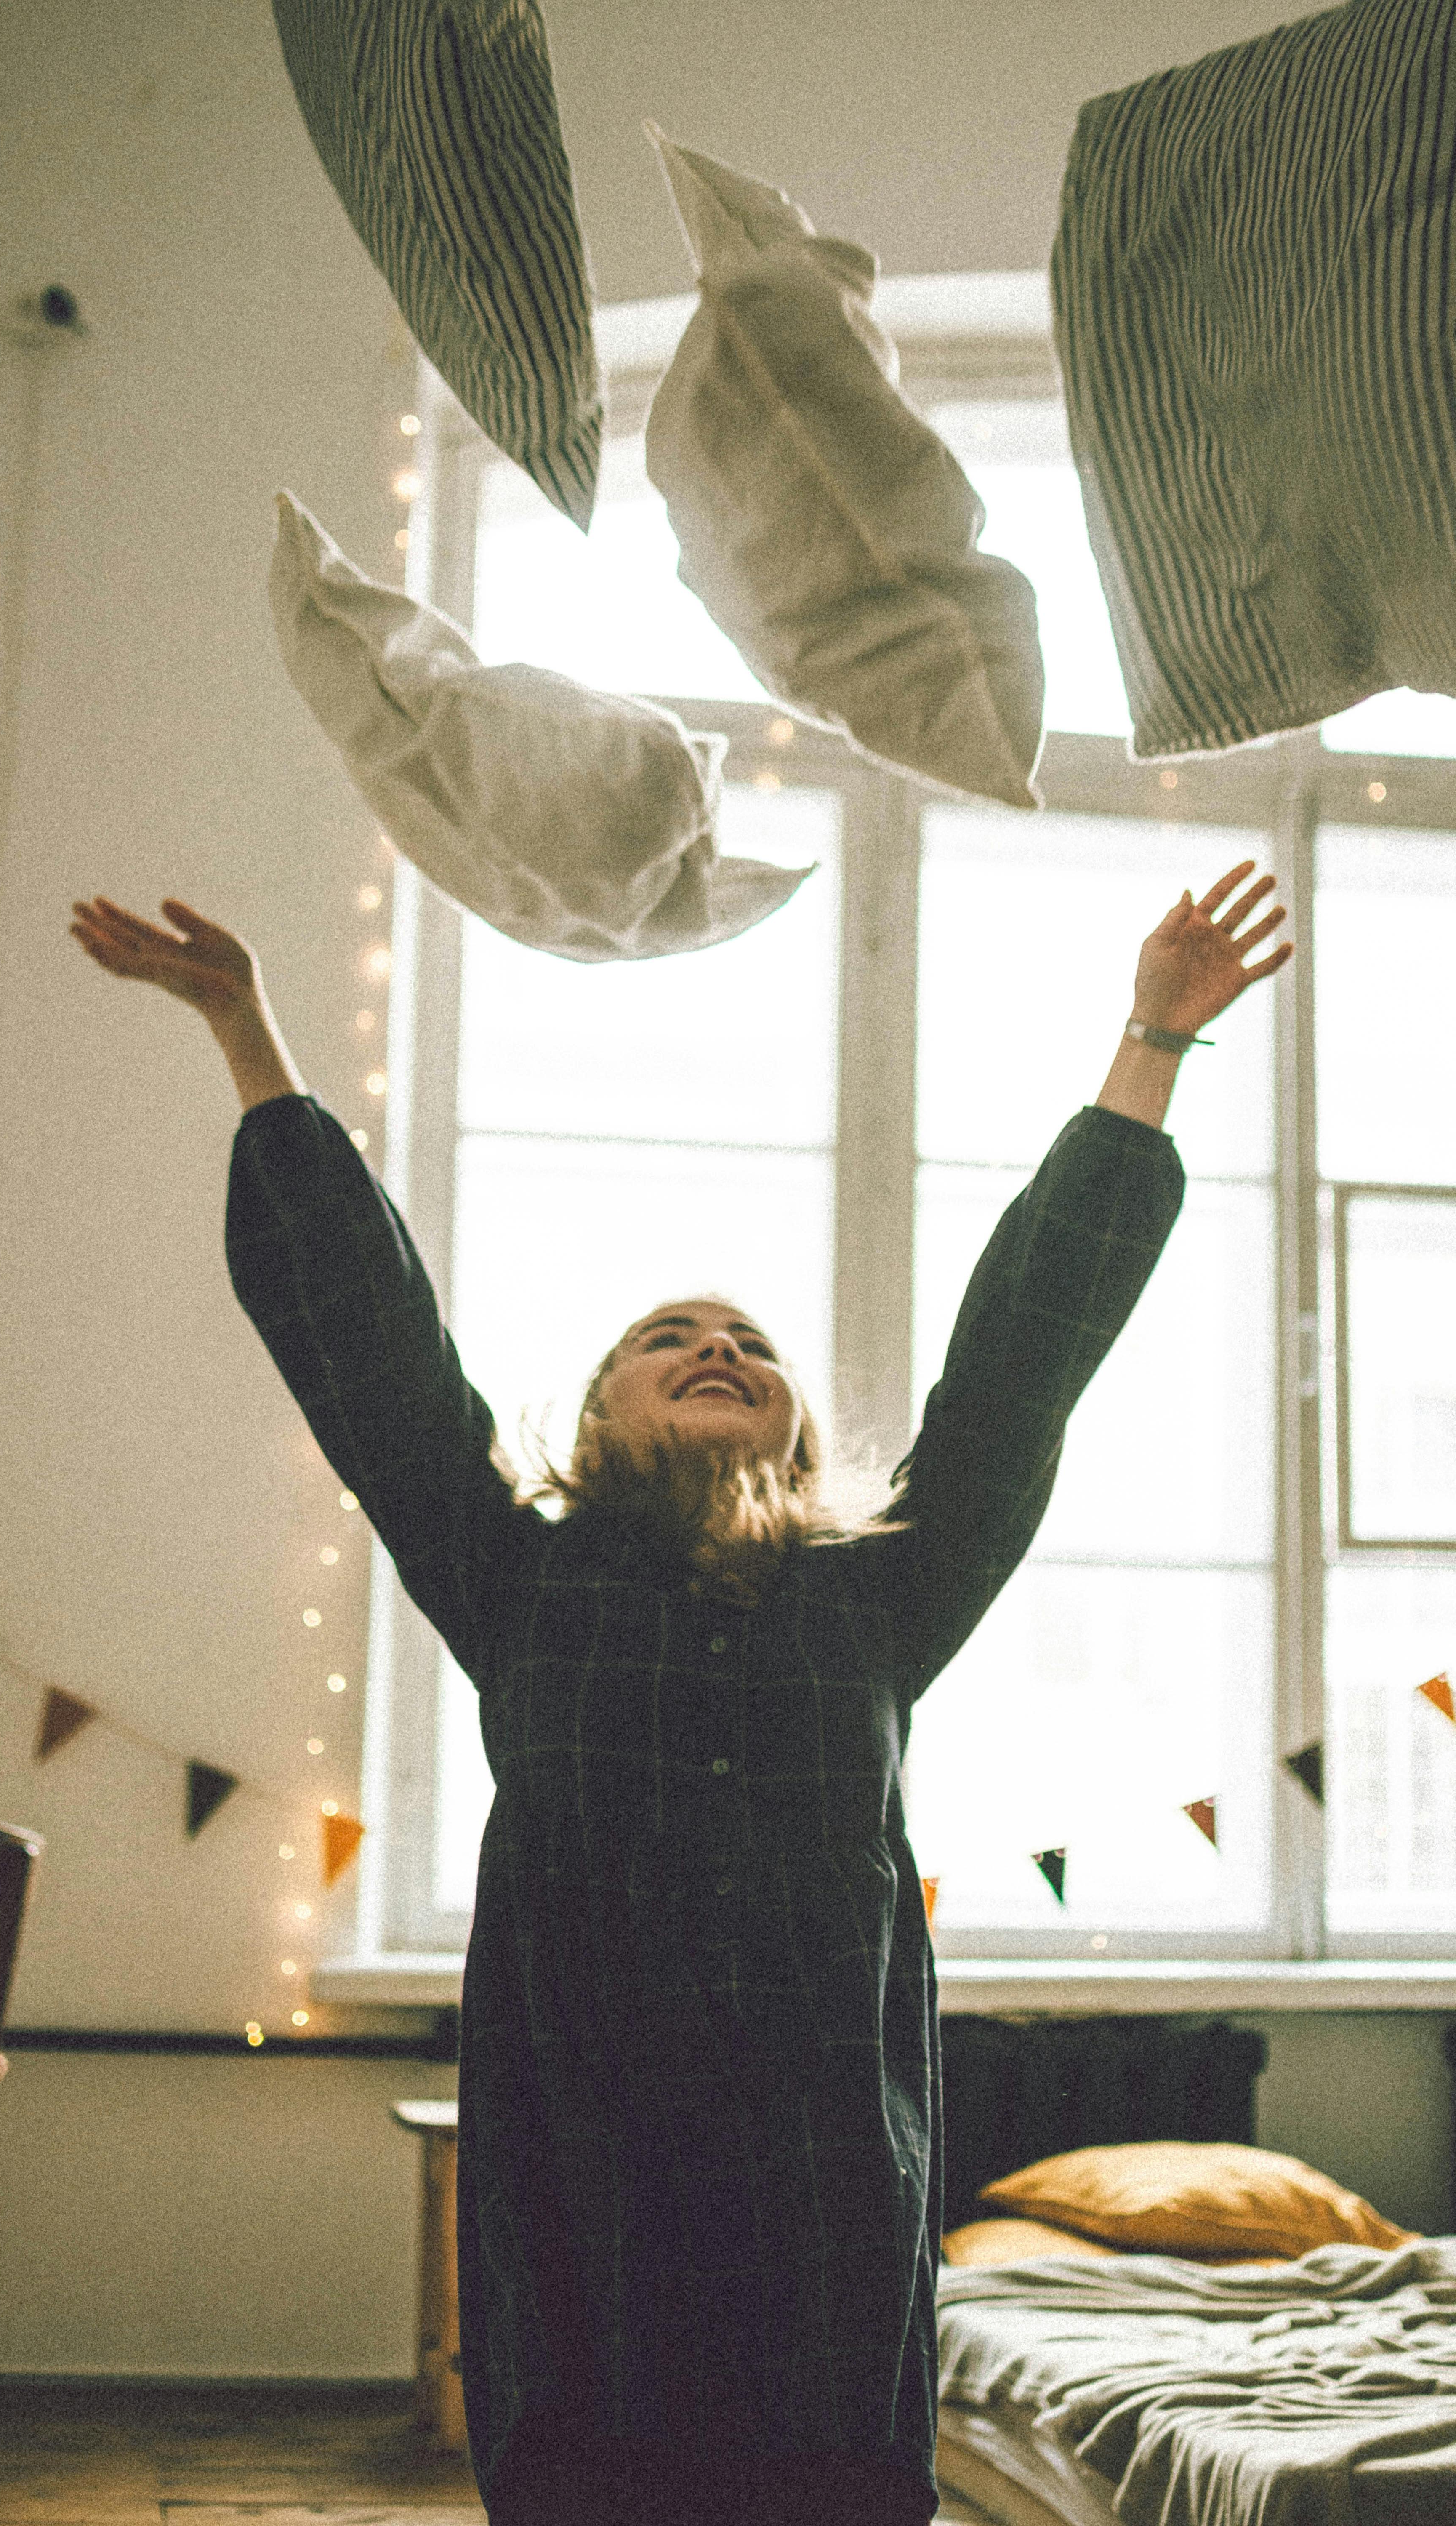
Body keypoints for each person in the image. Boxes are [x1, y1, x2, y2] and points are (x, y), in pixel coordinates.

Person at [70, 863, 1290, 2526]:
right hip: (583, 2186)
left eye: (748, 1341)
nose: (715, 1344)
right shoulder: (514, 1568)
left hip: (823, 2198)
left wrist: (1147, 1040)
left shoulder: (886, 1589)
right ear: (598, 1412)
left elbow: (1019, 1359)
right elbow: (364, 1338)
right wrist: (247, 1030)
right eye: (669, 1334)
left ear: (793, 1427)